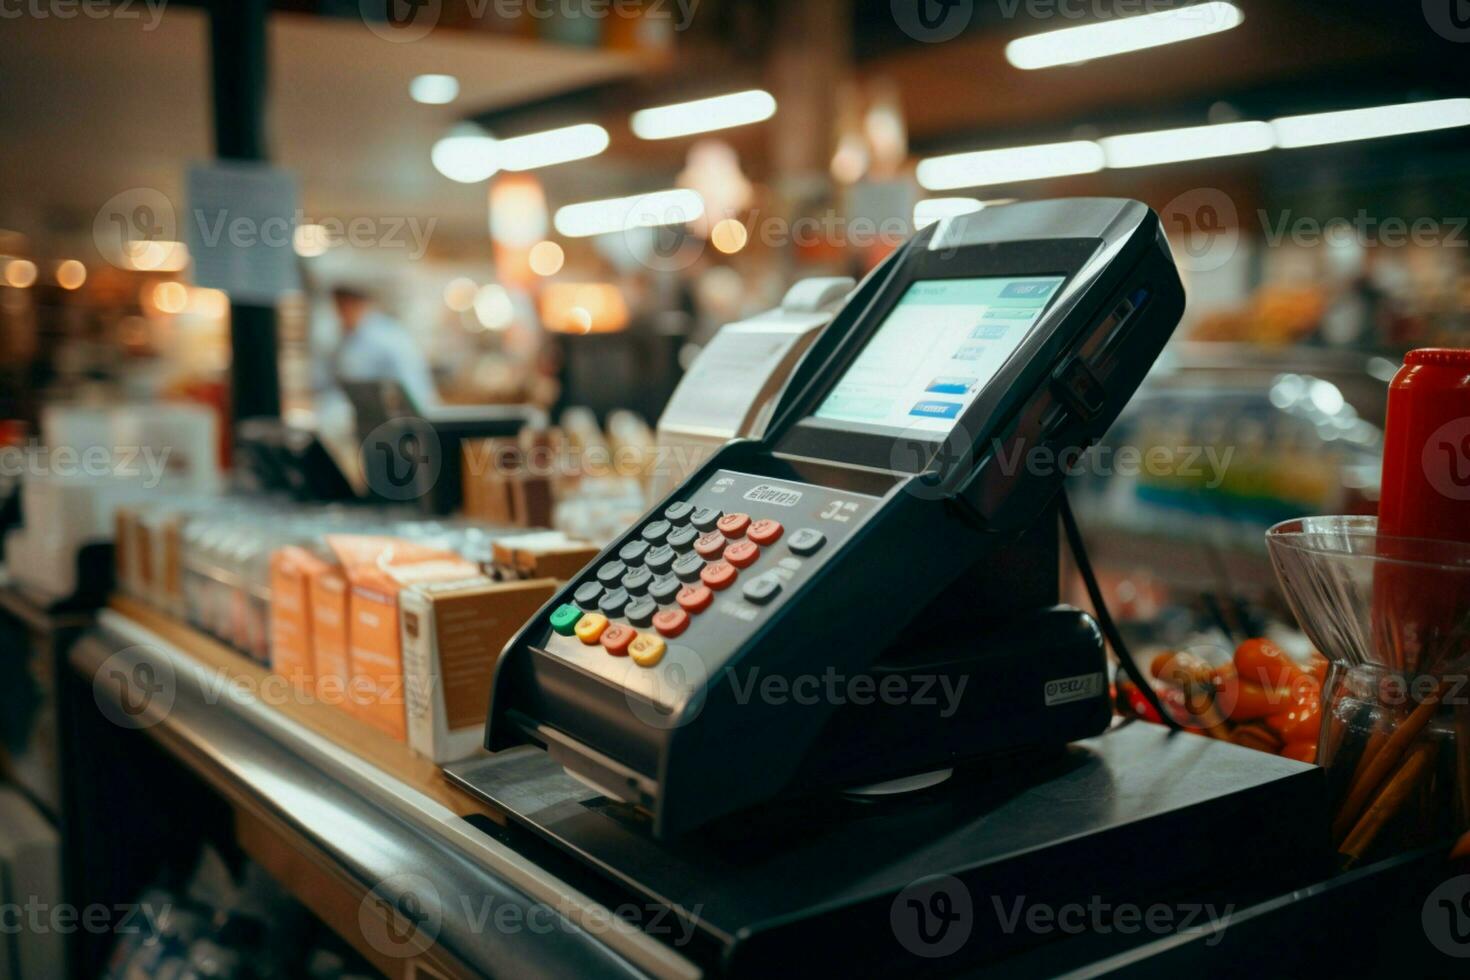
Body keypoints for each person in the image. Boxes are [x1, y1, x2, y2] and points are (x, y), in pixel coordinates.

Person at [331, 286, 439, 409]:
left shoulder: (384, 338)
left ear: (356, 304)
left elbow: (413, 390)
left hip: (403, 416)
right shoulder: (349, 338)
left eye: (341, 308)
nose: (338, 316)